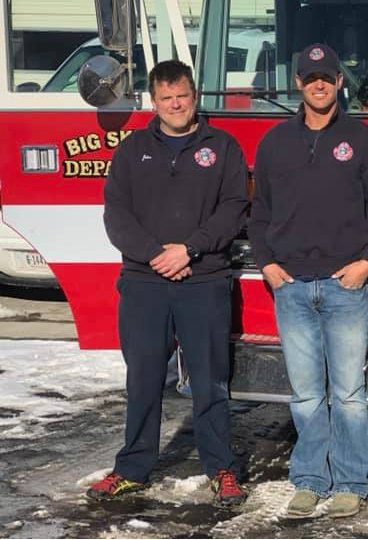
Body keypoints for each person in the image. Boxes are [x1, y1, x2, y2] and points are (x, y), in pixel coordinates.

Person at [247, 43, 368, 519]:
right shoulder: (274, 142)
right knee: (306, 394)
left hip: (344, 287)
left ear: (338, 82)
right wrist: (267, 264)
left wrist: (365, 265)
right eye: (310, 77)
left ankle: (351, 482)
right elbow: (259, 212)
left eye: (326, 77)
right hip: (291, 287)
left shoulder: (363, 139)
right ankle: (310, 480)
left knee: (349, 394)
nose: (318, 84)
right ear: (298, 83)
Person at [88, 60, 249, 506]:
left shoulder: (223, 147)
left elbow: (234, 207)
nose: (175, 105)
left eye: (182, 96)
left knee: (210, 381)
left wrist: (190, 249)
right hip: (144, 283)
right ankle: (132, 468)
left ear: (194, 97)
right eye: (166, 98)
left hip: (204, 280)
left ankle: (221, 468)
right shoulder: (132, 150)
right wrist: (156, 255)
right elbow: (116, 214)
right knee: (143, 378)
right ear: (153, 102)